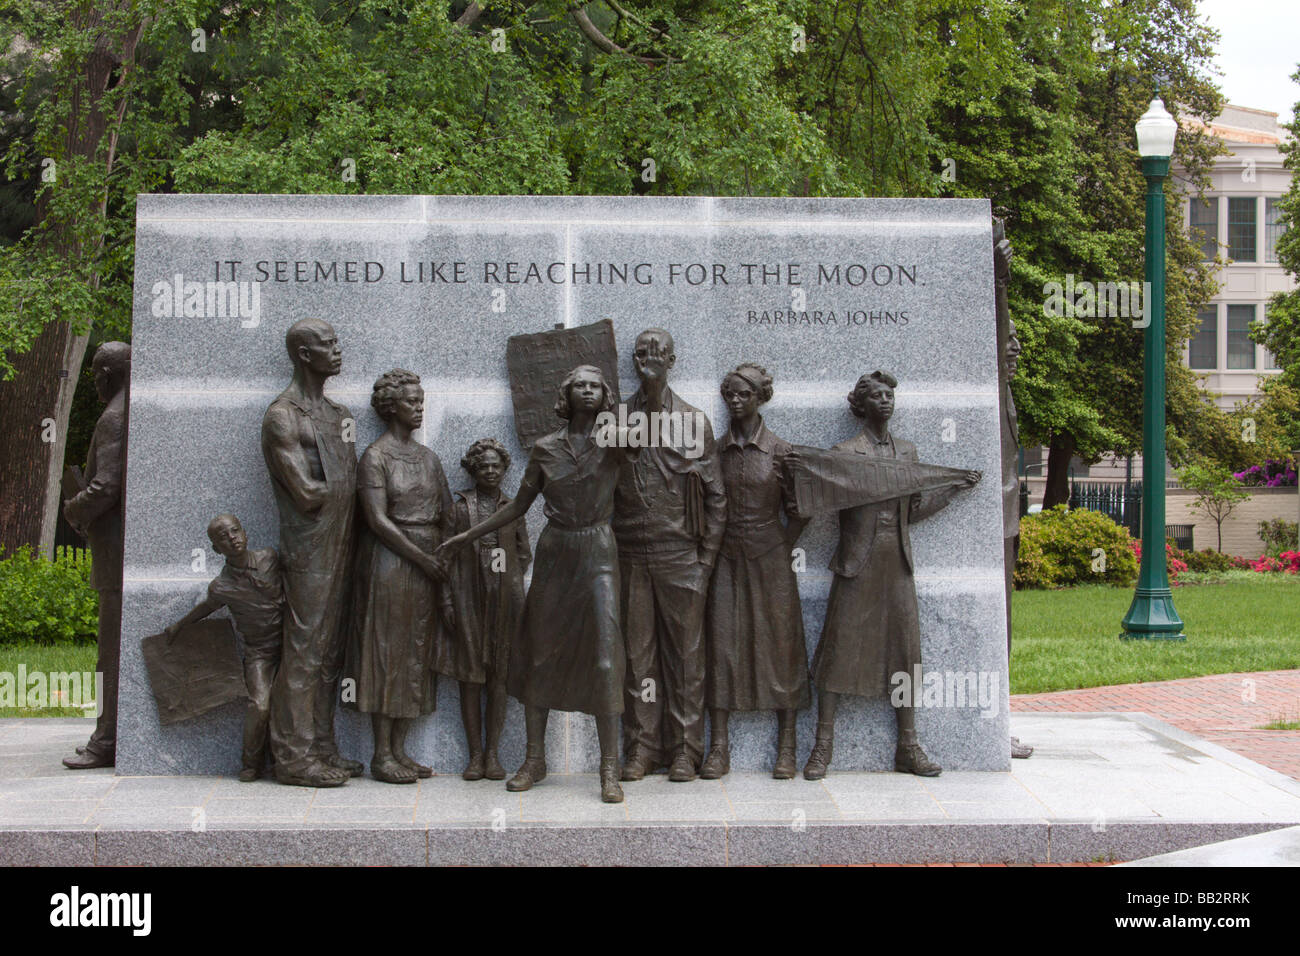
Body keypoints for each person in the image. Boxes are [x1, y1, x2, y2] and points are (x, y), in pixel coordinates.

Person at [436, 365, 634, 803]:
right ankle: (534, 759)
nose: (587, 390)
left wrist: (617, 417)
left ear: (605, 395)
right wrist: (467, 535)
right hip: (556, 551)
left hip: (599, 550)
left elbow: (643, 435)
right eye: (579, 384)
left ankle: (608, 768)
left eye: (595, 385)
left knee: (605, 657)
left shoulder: (616, 442)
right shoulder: (545, 449)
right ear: (567, 395)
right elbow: (519, 507)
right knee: (541, 653)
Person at [802, 371, 980, 780]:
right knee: (838, 651)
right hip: (856, 563)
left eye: (889, 396)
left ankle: (908, 745)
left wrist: (951, 489)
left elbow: (912, 511)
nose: (885, 401)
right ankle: (822, 745)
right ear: (860, 405)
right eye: (876, 396)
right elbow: (825, 501)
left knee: (905, 654)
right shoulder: (845, 451)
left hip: (895, 562)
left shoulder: (908, 453)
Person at [613, 329, 727, 784]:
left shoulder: (694, 422)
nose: (649, 358)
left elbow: (717, 498)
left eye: (659, 351)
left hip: (681, 556)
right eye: (642, 352)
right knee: (637, 658)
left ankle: (685, 750)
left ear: (674, 359)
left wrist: (705, 563)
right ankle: (641, 748)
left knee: (685, 657)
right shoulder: (616, 420)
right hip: (630, 555)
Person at [261, 318, 361, 787]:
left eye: (337, 341)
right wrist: (354, 489)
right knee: (303, 649)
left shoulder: (340, 416)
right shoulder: (282, 415)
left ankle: (322, 745)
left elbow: (348, 483)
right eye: (328, 344)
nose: (337, 350)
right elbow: (304, 491)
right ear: (304, 354)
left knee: (329, 650)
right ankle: (292, 758)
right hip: (309, 546)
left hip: (344, 539)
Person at [702, 364, 810, 780]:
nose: (735, 399)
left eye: (743, 393)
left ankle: (786, 747)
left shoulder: (782, 452)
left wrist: (782, 544)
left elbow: (800, 509)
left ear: (760, 397)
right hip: (726, 557)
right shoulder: (714, 450)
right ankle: (719, 747)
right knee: (722, 644)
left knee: (780, 647)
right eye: (729, 393)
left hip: (771, 560)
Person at [350, 369, 455, 784]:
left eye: (421, 400)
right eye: (412, 401)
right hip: (391, 564)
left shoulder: (429, 458)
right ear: (391, 407)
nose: (419, 407)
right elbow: (376, 520)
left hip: (428, 559)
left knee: (415, 654)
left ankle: (401, 750)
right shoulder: (375, 457)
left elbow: (447, 510)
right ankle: (381, 754)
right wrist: (422, 559)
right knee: (387, 654)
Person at [437, 438, 531, 781]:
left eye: (496, 466)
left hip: (504, 598)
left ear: (505, 470)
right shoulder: (459, 508)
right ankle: (474, 755)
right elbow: (443, 557)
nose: (490, 471)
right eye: (484, 466)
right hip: (468, 598)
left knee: (499, 678)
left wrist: (504, 576)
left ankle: (493, 754)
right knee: (471, 677)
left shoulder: (513, 506)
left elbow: (523, 552)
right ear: (473, 470)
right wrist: (447, 599)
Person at [163, 514, 283, 781]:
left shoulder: (270, 558)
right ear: (216, 549)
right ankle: (251, 762)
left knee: (289, 703)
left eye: (235, 531)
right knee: (260, 705)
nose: (232, 538)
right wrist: (178, 626)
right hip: (259, 652)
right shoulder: (221, 586)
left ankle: (282, 760)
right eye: (223, 538)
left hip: (291, 646)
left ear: (245, 532)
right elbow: (205, 608)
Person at [62, 342, 130, 770]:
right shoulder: (131, 409)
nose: (93, 382)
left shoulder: (114, 416)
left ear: (108, 373)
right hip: (122, 549)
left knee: (110, 650)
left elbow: (106, 486)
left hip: (115, 550)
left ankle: (105, 741)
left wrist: (73, 509)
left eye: (94, 374)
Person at [995, 223, 1033, 759]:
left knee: (1003, 621)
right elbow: (995, 331)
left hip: (1007, 521)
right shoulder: (990, 388)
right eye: (1007, 343)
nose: (1015, 349)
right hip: (996, 521)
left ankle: (997, 717)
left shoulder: (1006, 400)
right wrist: (997, 278)